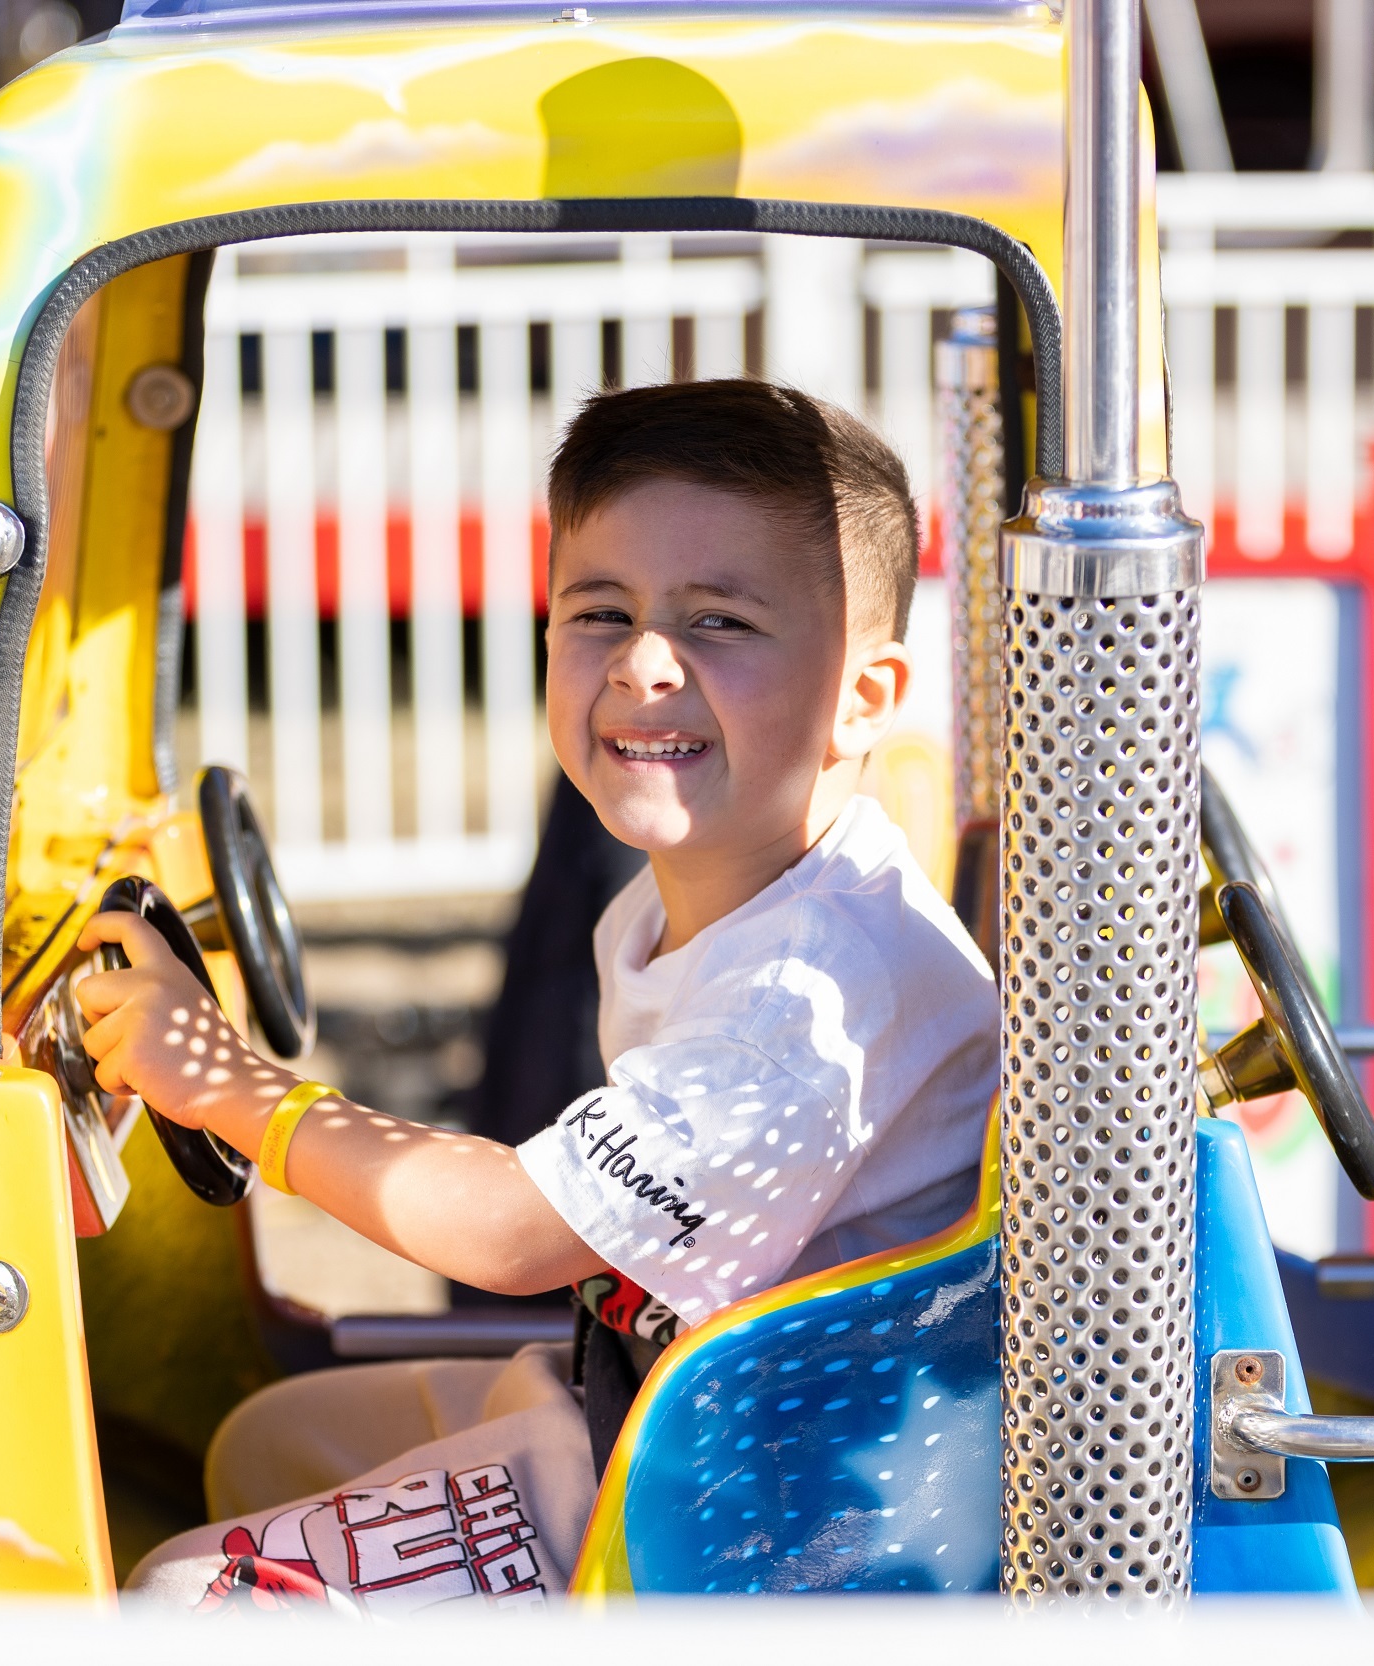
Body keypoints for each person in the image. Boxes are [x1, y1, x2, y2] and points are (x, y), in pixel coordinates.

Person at [83, 378, 998, 1611]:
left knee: (185, 1600)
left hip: (760, 1519)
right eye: (599, 611)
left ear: (861, 700)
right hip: (655, 1398)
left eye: (719, 621)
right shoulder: (690, 897)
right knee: (268, 1436)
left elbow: (511, 1231)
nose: (642, 665)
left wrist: (236, 1091)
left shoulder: (812, 998)